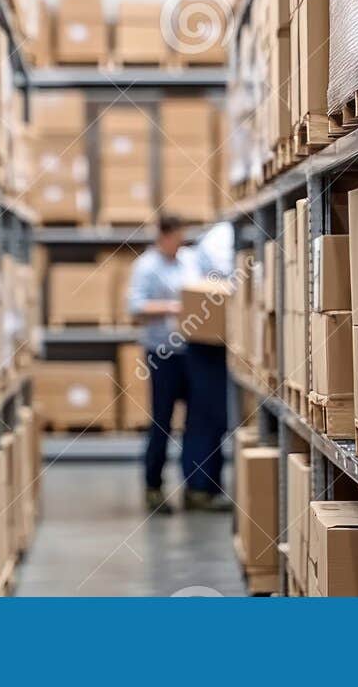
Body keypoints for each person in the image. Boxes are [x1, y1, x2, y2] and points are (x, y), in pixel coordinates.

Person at [125, 215, 231, 514]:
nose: (179, 243)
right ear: (162, 236)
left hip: (194, 351)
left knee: (201, 420)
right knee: (162, 420)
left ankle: (199, 488)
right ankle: (153, 487)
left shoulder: (189, 260)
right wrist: (175, 307)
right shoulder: (146, 266)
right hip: (163, 355)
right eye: (175, 237)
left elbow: (210, 285)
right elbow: (135, 307)